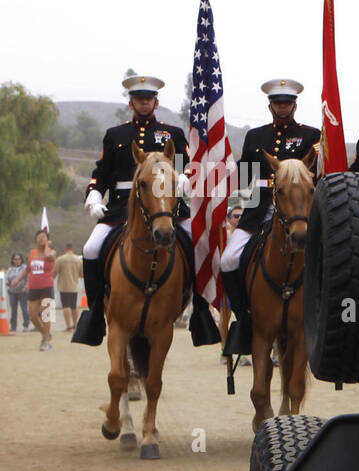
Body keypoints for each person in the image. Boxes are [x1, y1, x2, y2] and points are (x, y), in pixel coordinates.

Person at [74, 74, 221, 348]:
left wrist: (186, 177)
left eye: (148, 99)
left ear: (156, 101)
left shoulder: (173, 134)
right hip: (121, 208)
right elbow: (101, 174)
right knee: (91, 249)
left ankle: (200, 313)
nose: (144, 103)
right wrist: (94, 196)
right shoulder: (115, 135)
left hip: (166, 207)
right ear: (131, 103)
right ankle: (94, 313)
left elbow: (189, 164)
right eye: (139, 99)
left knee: (198, 248)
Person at [219, 79, 322, 356]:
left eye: (287, 102)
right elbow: (245, 176)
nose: (283, 106)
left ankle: (321, 318)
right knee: (228, 259)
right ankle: (245, 319)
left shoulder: (311, 136)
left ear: (294, 105)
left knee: (328, 258)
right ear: (270, 105)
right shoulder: (255, 136)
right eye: (278, 102)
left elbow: (319, 175)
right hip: (258, 208)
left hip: (298, 210)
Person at [26, 230, 57, 351]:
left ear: (47, 240)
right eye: (39, 237)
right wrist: (17, 280)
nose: (41, 239)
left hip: (47, 286)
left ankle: (46, 341)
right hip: (33, 287)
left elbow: (49, 257)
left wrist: (47, 246)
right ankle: (45, 334)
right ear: (35, 240)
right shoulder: (32, 253)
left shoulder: (51, 252)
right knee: (33, 315)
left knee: (46, 313)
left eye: (44, 237)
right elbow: (28, 268)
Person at [54, 243, 83, 333]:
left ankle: (68, 327)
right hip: (74, 286)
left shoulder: (60, 259)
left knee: (66, 306)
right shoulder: (78, 260)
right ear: (72, 249)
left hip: (63, 286)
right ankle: (75, 325)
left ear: (65, 249)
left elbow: (54, 273)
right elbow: (82, 275)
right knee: (74, 307)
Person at [6, 253, 31, 333]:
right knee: (13, 309)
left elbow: (28, 279)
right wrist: (9, 284)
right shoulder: (10, 269)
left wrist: (25, 288)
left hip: (22, 292)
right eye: (15, 259)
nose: (17, 261)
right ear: (13, 260)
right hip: (13, 292)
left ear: (21, 260)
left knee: (24, 309)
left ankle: (26, 325)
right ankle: (13, 326)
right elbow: (7, 279)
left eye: (19, 259)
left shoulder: (25, 268)